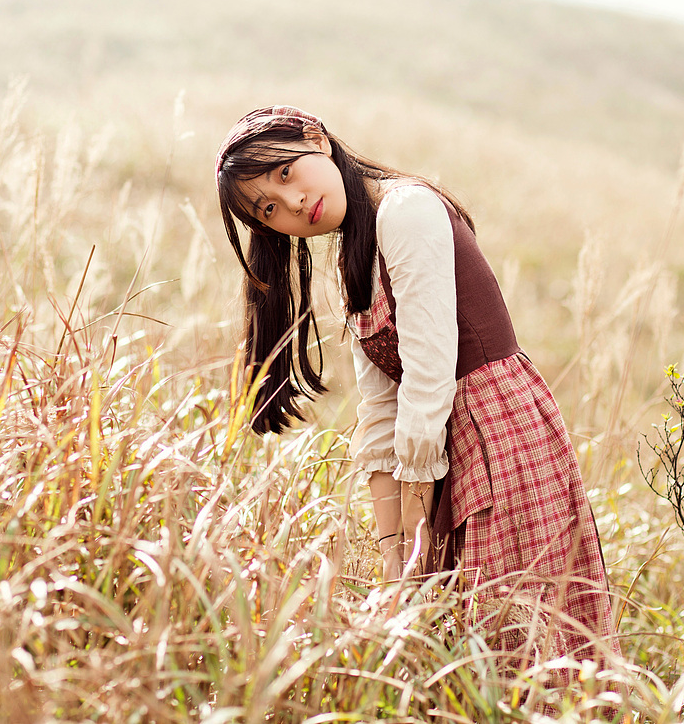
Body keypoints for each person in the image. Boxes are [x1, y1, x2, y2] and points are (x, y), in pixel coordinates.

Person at [215, 105, 618, 664]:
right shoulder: (354, 259)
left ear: (316, 138)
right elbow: (381, 416)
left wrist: (414, 533)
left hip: (496, 429)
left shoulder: (405, 211)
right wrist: (393, 562)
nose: (294, 204)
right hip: (438, 452)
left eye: (286, 174)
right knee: (453, 642)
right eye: (269, 209)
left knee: (517, 640)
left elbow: (428, 380)